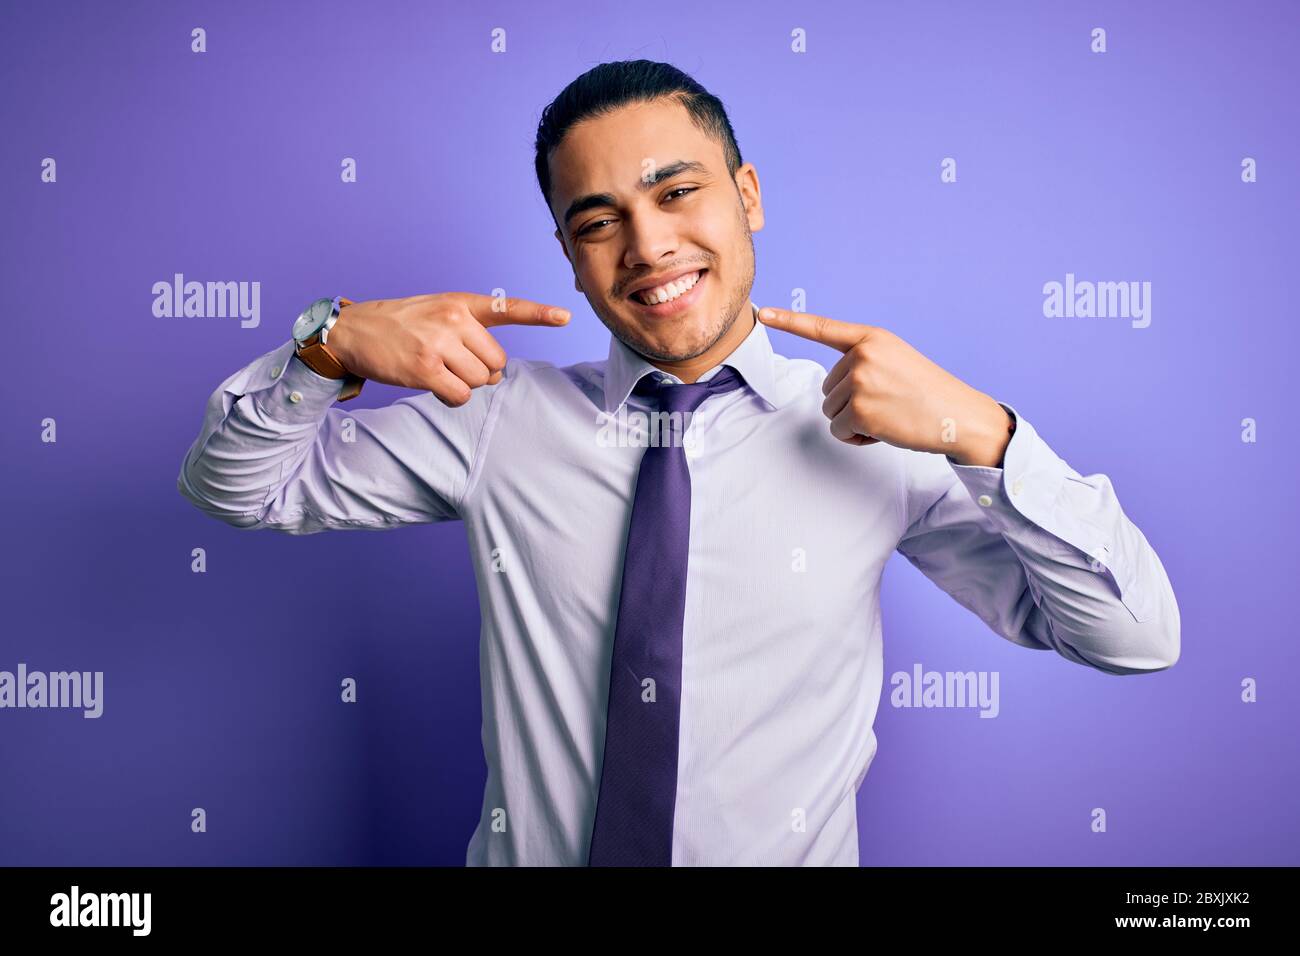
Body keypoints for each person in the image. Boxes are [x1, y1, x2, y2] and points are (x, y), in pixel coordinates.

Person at [176, 59, 1180, 866]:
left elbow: (1132, 637)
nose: (647, 245)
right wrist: (329, 344)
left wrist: (984, 432)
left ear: (745, 194)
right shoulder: (496, 420)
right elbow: (236, 486)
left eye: (676, 191)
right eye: (598, 219)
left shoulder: (882, 434)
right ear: (571, 256)